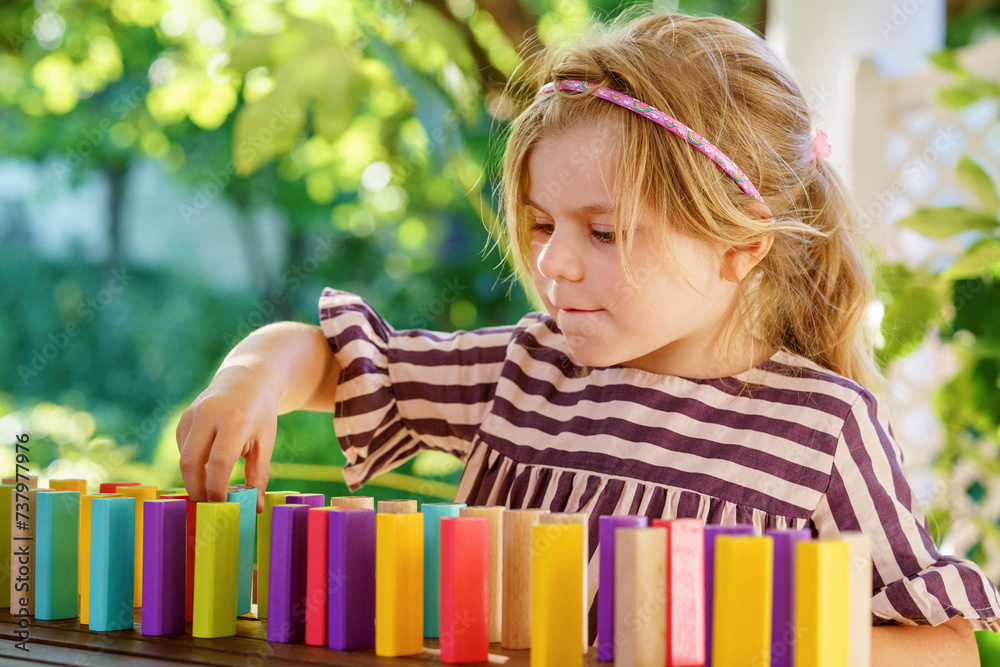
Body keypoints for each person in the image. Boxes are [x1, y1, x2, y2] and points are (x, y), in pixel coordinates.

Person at [176, 9, 999, 662]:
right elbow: (328, 358)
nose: (554, 263)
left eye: (604, 233)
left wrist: (781, 638)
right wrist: (247, 380)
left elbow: (946, 646)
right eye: (541, 224)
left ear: (740, 247)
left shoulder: (825, 430)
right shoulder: (526, 369)